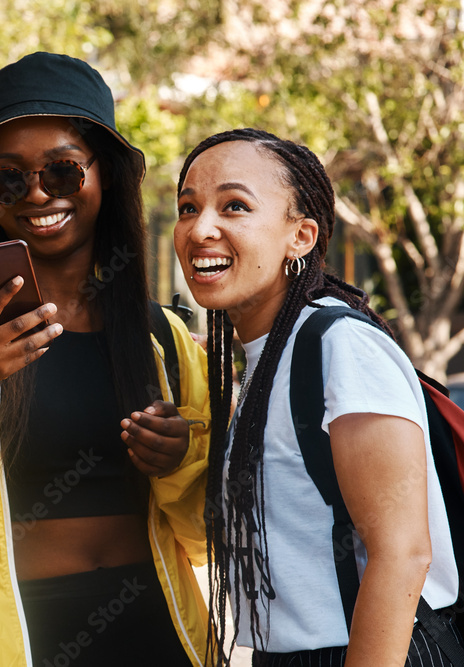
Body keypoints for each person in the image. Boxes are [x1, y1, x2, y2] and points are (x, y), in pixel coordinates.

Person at [0, 52, 211, 666]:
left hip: (160, 631)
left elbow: (202, 539)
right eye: (9, 177)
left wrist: (179, 462)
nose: (36, 193)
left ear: (104, 174)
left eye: (62, 172)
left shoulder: (162, 338)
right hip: (21, 639)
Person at [174, 127, 463, 666]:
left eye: (234, 206)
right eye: (188, 207)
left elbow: (401, 554)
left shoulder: (340, 347)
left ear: (301, 236)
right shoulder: (265, 358)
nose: (200, 228)